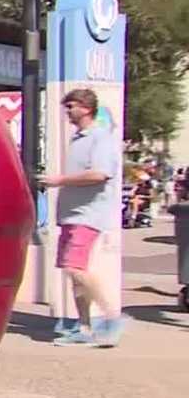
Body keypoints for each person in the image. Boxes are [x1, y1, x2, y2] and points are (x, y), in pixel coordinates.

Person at [41, 88, 126, 347]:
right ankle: (84, 326)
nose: (68, 112)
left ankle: (112, 317)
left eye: (71, 107)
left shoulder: (100, 138)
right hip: (71, 215)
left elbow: (100, 174)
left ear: (87, 108)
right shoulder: (79, 139)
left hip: (88, 214)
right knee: (74, 273)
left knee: (74, 267)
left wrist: (59, 180)